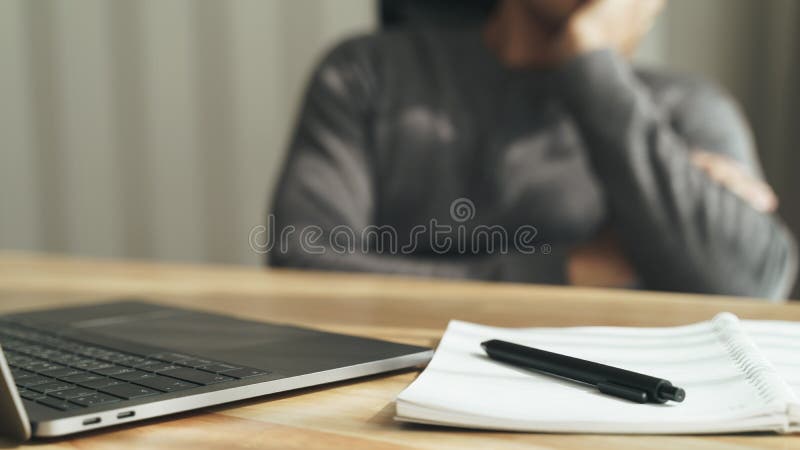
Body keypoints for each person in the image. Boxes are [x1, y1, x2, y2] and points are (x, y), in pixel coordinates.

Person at [269, 0, 797, 299]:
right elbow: (301, 261)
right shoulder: (368, 74)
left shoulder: (686, 107)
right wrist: (562, 272)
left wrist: (589, 58)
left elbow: (752, 288)